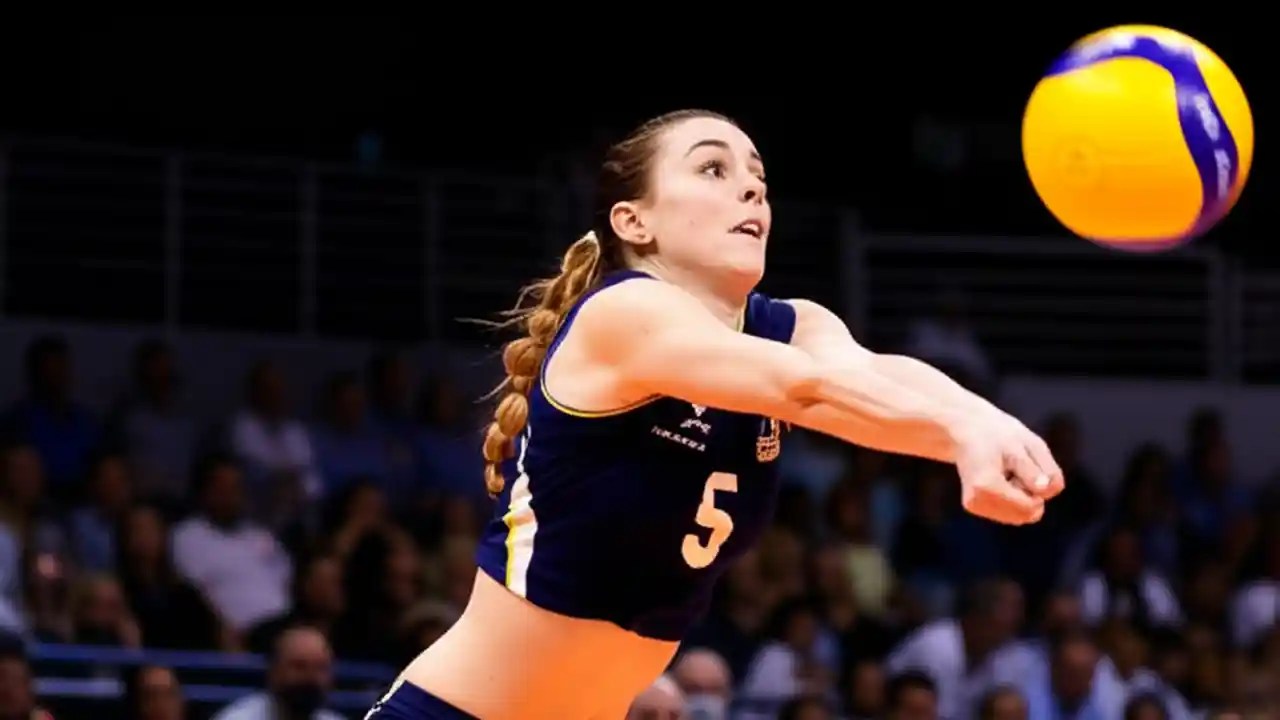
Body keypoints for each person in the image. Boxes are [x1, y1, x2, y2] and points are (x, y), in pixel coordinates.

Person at [365, 109, 1064, 719]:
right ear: (634, 221)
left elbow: (873, 372)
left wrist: (992, 424)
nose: (751, 186)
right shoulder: (624, 313)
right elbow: (810, 390)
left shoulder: (787, 326)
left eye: (756, 174)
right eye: (712, 169)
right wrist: (959, 434)